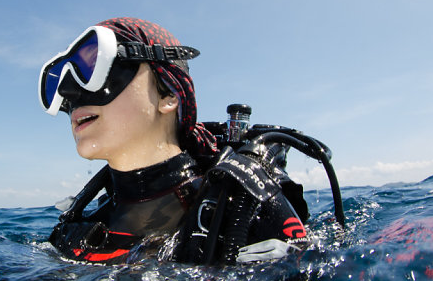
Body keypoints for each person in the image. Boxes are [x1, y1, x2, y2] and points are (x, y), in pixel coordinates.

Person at [38, 16, 311, 265]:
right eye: (59, 81)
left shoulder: (240, 206)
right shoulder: (81, 226)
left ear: (168, 94)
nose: (70, 93)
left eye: (96, 67)